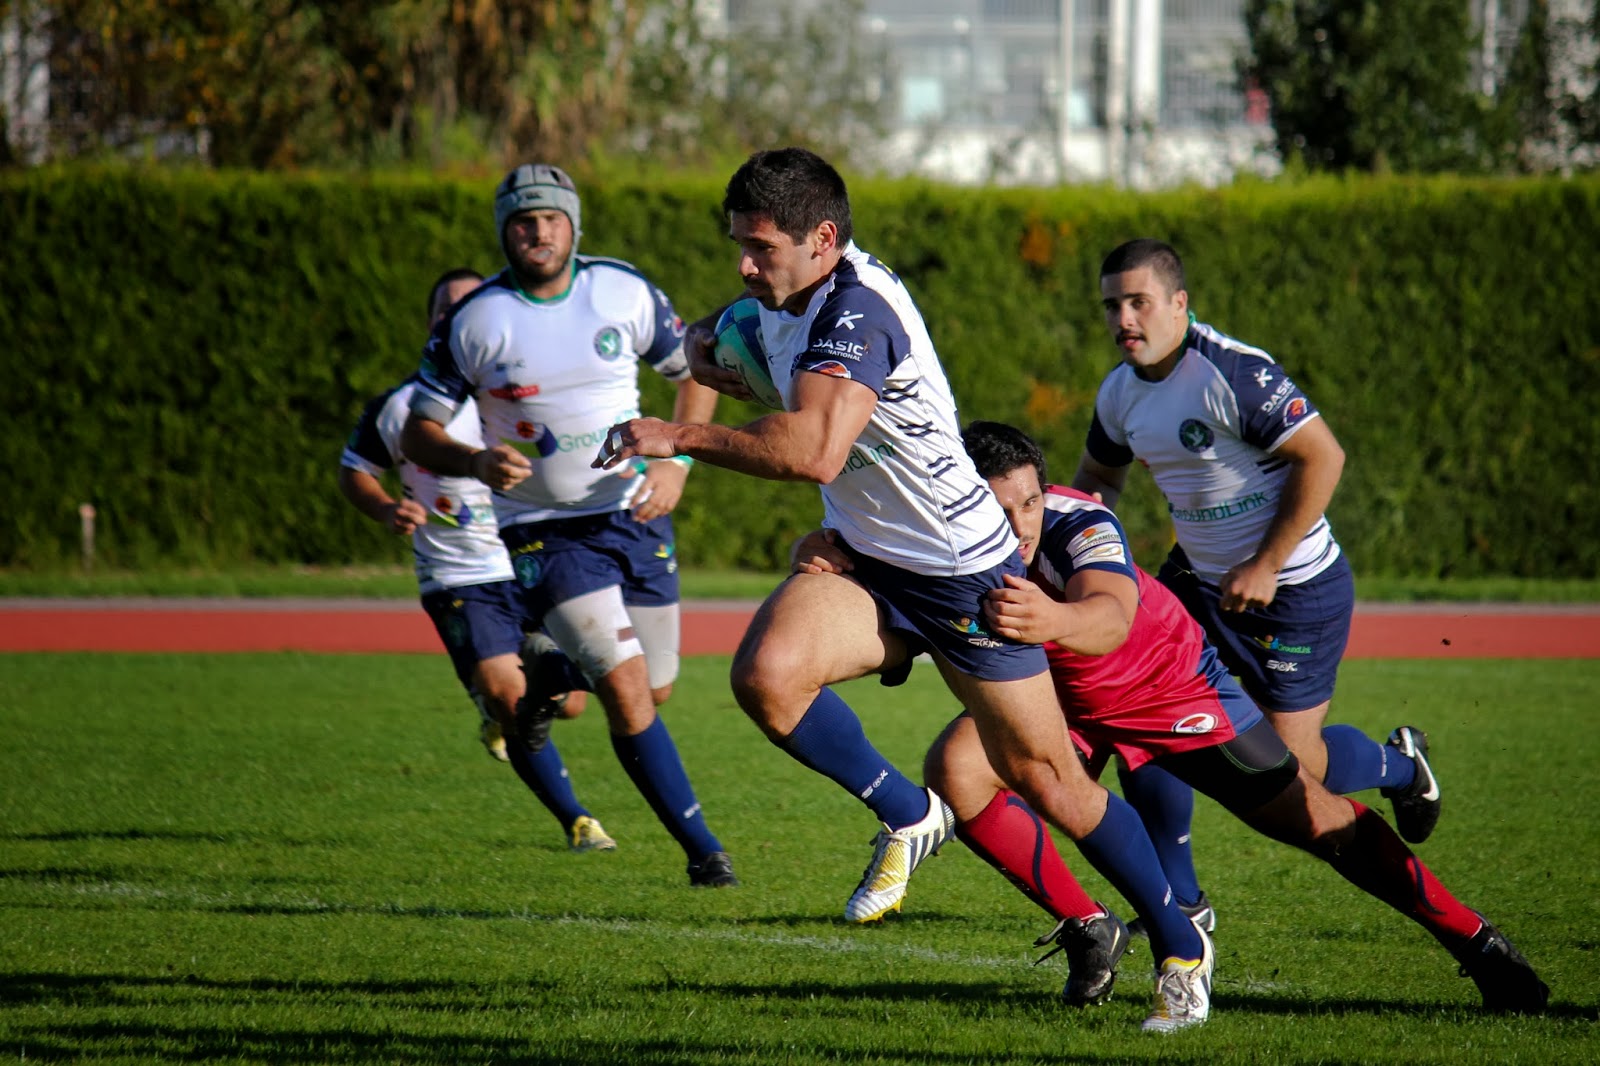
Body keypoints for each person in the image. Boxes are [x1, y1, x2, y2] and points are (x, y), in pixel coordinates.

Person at [592, 149, 1212, 1024]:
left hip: (964, 569)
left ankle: (1181, 943)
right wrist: (668, 359)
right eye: (737, 244)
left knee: (1048, 782)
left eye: (759, 247)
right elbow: (704, 348)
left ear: (824, 240)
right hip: (873, 559)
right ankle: (917, 817)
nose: (743, 263)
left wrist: (680, 440)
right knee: (768, 677)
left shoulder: (858, 312)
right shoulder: (773, 301)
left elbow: (813, 450)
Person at [911, 421, 1544, 1028]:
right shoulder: (938, 538)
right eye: (999, 509)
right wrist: (829, 556)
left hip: (1169, 687)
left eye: (1029, 504)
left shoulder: (1080, 521)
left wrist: (1052, 621)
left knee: (1317, 819)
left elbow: (1112, 616)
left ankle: (1479, 944)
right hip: (1059, 705)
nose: (1019, 526)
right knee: (956, 771)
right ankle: (1093, 926)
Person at [1069, 238, 1443, 928]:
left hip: (1296, 591)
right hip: (1193, 582)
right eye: (1112, 305)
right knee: (1144, 723)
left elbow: (1323, 457)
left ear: (1179, 305)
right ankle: (1184, 899)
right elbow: (1097, 484)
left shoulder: (1233, 374)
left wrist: (1267, 564)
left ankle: (1398, 765)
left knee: (1292, 768)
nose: (1124, 317)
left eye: (1138, 301)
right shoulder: (1120, 392)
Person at [400, 165, 737, 888]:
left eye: (552, 217)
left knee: (659, 686)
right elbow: (419, 432)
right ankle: (705, 852)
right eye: (524, 221)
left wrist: (678, 460)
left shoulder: (621, 289)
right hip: (545, 531)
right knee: (625, 689)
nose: (539, 231)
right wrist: (472, 459)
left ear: (574, 224)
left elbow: (695, 368)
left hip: (634, 515)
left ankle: (548, 669)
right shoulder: (478, 319)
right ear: (504, 232)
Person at [337, 266, 617, 854]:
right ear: (435, 325)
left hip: (528, 563)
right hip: (459, 577)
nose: (461, 315)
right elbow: (355, 471)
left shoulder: (519, 395)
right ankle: (577, 821)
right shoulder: (402, 409)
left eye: (473, 304)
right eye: (449, 308)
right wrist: (388, 509)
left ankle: (497, 712)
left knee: (570, 704)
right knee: (509, 693)